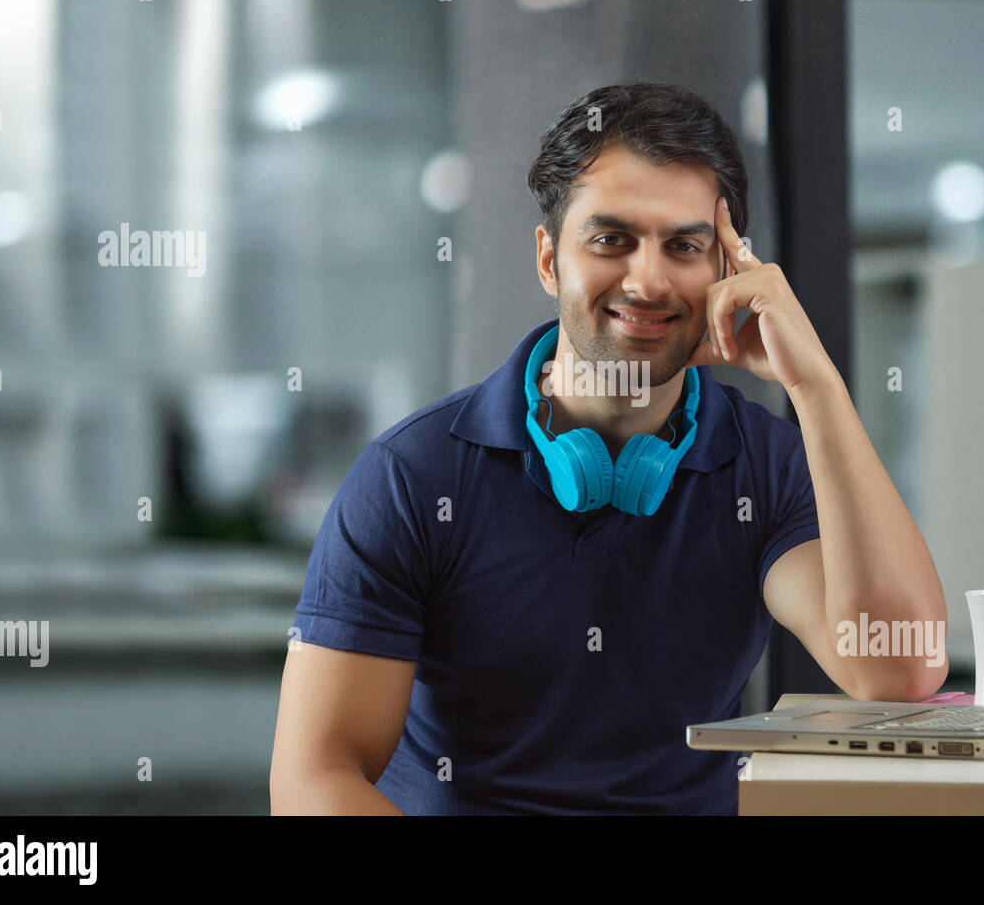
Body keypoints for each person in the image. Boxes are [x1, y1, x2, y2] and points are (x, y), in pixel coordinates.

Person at [269, 82, 947, 815]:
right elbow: (316, 778)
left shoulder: (767, 468)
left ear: (726, 273)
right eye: (611, 239)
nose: (648, 279)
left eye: (684, 246)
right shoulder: (413, 476)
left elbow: (897, 668)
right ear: (549, 260)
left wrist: (815, 386)